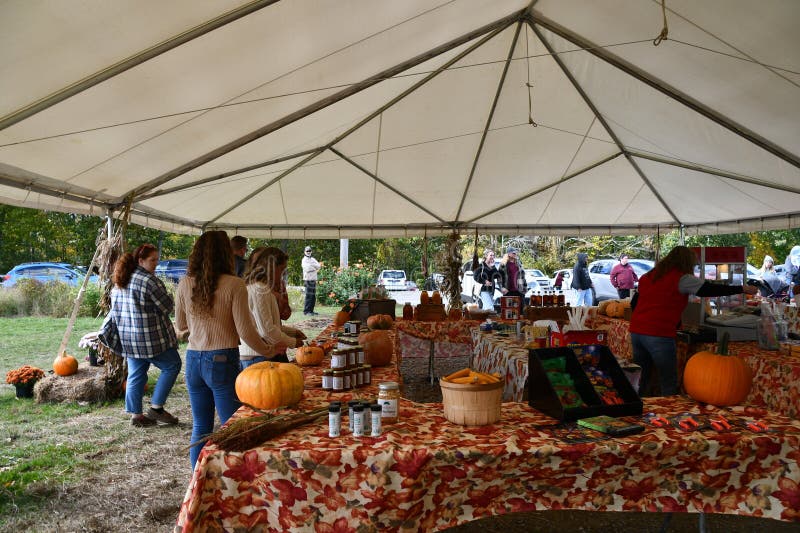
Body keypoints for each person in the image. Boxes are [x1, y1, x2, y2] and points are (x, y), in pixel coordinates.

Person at [175, 231, 284, 469]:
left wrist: (199, 329)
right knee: (231, 427)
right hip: (222, 361)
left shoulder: (184, 284)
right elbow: (245, 331)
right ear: (226, 253)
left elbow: (180, 328)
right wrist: (267, 350)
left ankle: (197, 482)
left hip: (193, 360)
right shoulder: (234, 284)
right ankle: (231, 484)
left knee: (201, 427)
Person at [629, 245, 757, 397]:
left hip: (637, 331)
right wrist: (742, 288)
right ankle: (668, 413)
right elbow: (709, 290)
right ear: (686, 262)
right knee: (667, 379)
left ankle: (637, 409)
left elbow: (634, 303)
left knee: (640, 377)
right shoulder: (682, 278)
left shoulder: (648, 276)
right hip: (658, 332)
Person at [100, 244, 181, 427]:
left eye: (157, 260)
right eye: (152, 260)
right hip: (151, 340)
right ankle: (157, 407)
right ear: (140, 261)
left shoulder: (120, 282)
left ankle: (136, 415)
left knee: (136, 375)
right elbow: (168, 306)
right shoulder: (149, 281)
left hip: (129, 340)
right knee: (173, 365)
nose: (156, 264)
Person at [240, 247, 304, 368]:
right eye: (281, 269)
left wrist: (292, 332)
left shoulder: (257, 288)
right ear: (271, 269)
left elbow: (263, 325)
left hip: (258, 355)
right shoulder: (259, 290)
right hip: (258, 357)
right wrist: (293, 342)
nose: (282, 274)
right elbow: (267, 330)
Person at [498, 246, 527, 312]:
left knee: (521, 311)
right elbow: (499, 278)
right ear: (509, 254)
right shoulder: (503, 264)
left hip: (519, 290)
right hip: (508, 290)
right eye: (513, 253)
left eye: (516, 253)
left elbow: (523, 277)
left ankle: (520, 322)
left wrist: (525, 287)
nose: (515, 254)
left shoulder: (519, 263)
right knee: (509, 311)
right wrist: (501, 288)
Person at [301, 245, 321, 315]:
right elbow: (307, 269)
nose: (308, 252)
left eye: (309, 251)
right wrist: (314, 268)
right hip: (308, 280)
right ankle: (306, 311)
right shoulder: (304, 260)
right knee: (309, 295)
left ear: (311, 251)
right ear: (304, 252)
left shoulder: (313, 259)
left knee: (313, 296)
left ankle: (311, 311)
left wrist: (312, 266)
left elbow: (319, 266)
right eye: (307, 251)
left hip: (313, 279)